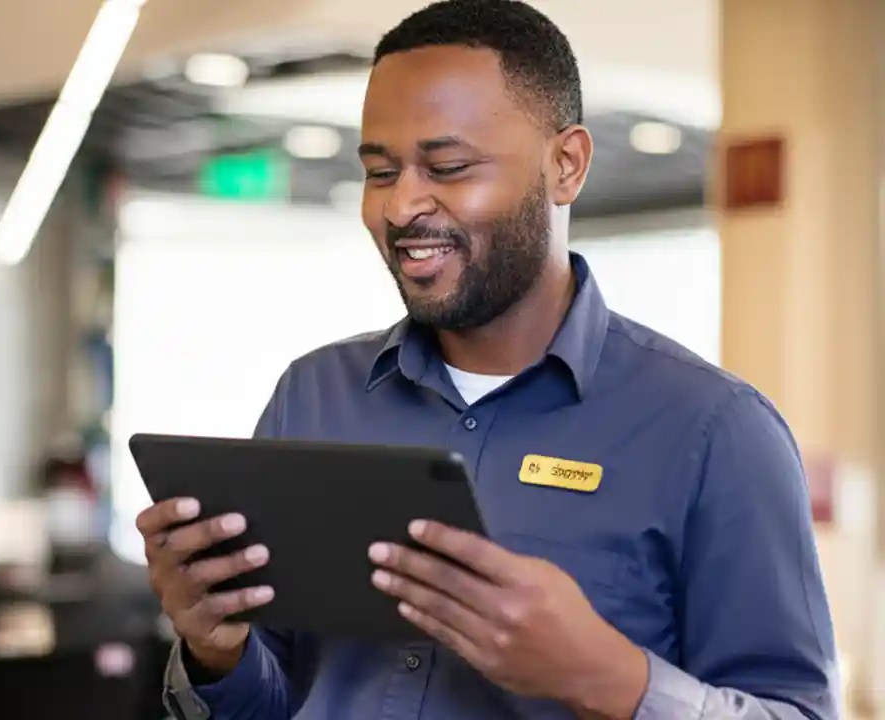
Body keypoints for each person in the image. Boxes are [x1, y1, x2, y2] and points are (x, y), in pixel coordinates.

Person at [137, 1, 839, 719]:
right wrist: (216, 654)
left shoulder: (715, 432)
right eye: (381, 173)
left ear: (565, 166)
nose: (404, 205)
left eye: (449, 166)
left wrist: (611, 678)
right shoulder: (312, 396)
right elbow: (276, 698)